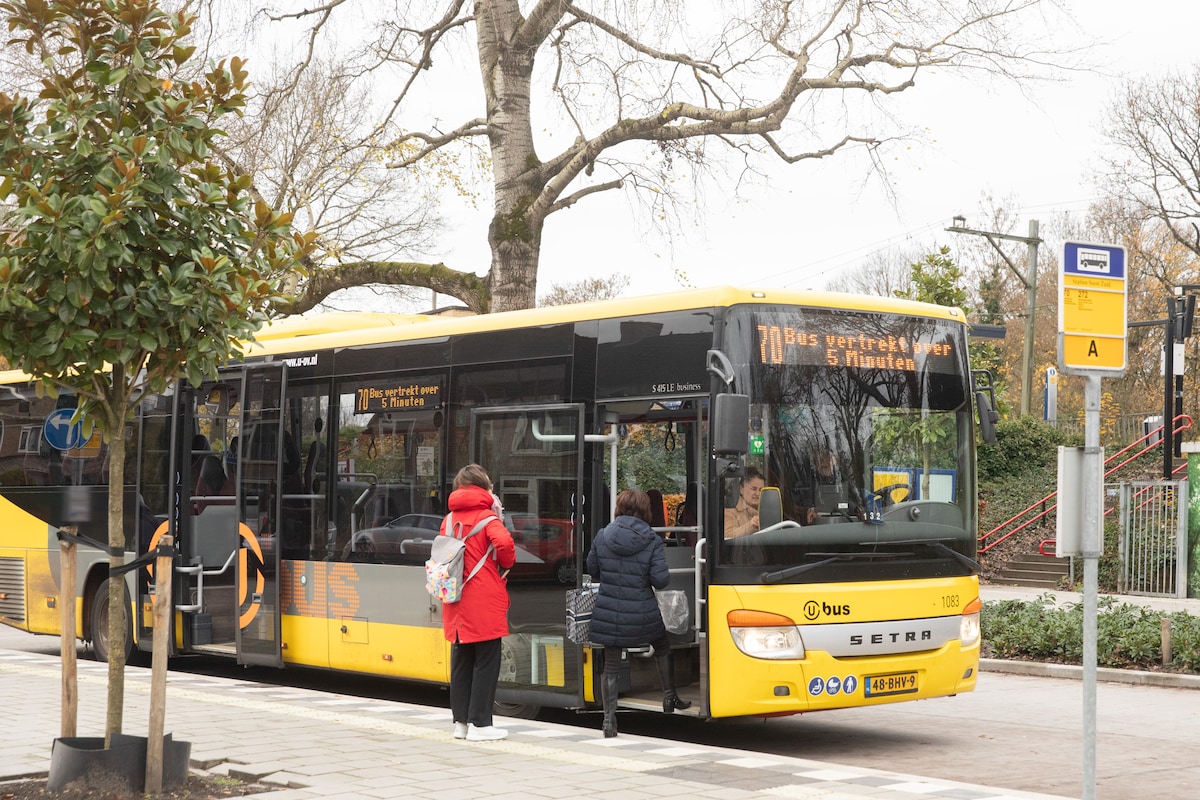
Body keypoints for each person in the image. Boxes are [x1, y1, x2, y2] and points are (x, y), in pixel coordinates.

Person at [586, 489, 691, 738]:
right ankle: (669, 697)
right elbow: (660, 580)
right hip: (643, 612)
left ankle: (609, 721)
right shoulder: (651, 539)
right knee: (662, 646)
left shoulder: (603, 535)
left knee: (611, 665)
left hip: (609, 612)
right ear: (646, 510)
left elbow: (593, 570)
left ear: (619, 508)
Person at [441, 463, 517, 742]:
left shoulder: (449, 519)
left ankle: (461, 724)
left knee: (462, 661)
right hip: (482, 598)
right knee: (486, 661)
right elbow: (505, 545)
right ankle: (481, 724)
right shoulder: (487, 517)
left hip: (455, 597)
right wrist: (506, 565)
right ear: (483, 486)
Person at [723, 467, 764, 537]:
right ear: (741, 489)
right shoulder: (730, 510)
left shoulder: (766, 509)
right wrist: (751, 525)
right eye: (753, 489)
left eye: (761, 490)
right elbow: (728, 535)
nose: (758, 493)